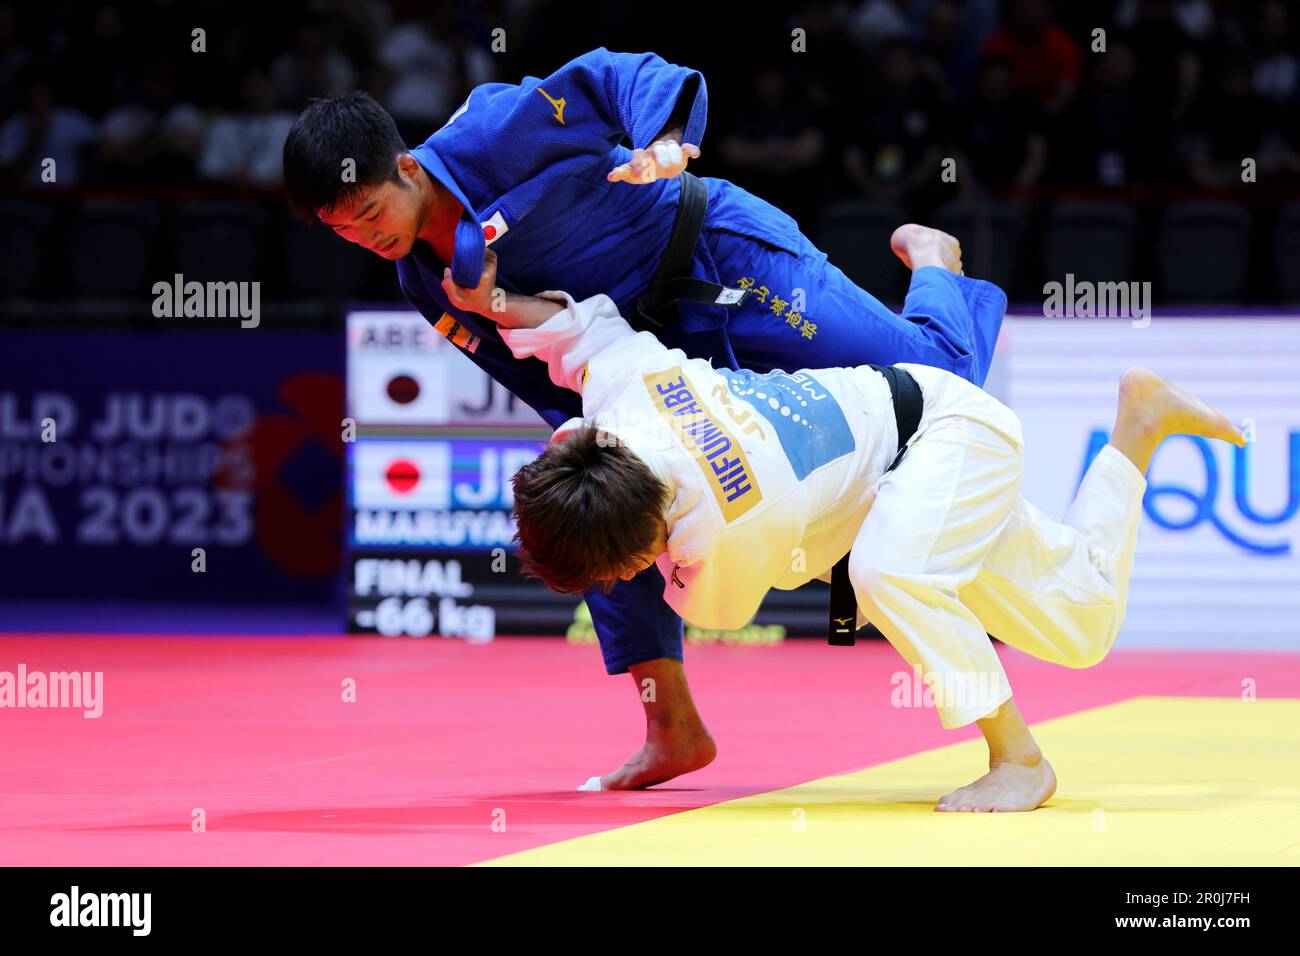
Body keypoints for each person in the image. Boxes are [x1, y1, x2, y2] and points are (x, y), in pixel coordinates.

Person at [283, 49, 1007, 791]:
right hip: (629, 352)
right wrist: (585, 450)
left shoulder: (494, 132)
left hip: (715, 259)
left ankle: (937, 267)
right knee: (595, 516)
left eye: (370, 213)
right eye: (344, 231)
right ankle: (674, 728)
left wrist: (661, 141)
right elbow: (524, 365)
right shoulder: (422, 279)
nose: (368, 237)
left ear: (405, 168)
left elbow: (610, 76)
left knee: (939, 380)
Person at [442, 243, 1246, 812]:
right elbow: (589, 328)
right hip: (908, 463)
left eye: (623, 567)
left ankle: (1019, 760)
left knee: (889, 575)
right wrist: (495, 304)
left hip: (944, 434)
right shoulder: (631, 402)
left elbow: (713, 611)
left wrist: (663, 561)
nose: (623, 582)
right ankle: (1139, 427)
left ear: (650, 525)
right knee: (1084, 625)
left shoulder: (723, 531)